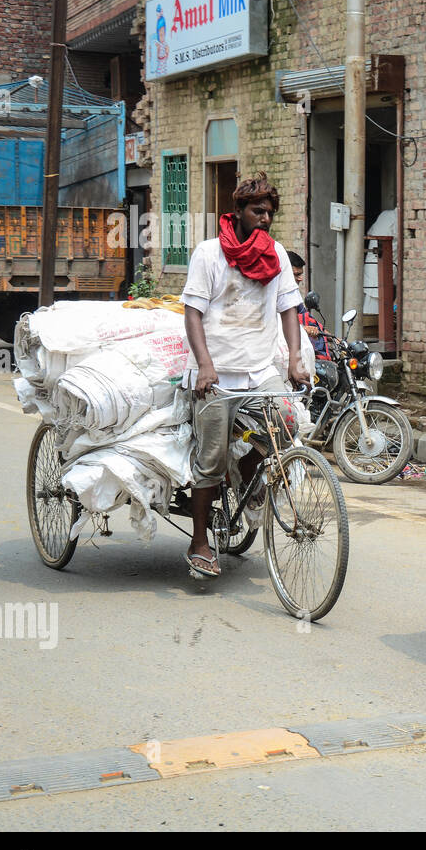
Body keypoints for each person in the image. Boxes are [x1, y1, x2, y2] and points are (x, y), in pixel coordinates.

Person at [180, 173, 310, 579]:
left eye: (270, 212)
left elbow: (289, 308)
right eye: (258, 211)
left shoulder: (275, 255)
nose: (265, 218)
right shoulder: (209, 253)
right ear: (237, 212)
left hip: (258, 371)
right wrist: (204, 364)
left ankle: (250, 478)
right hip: (215, 376)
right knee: (211, 459)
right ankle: (200, 541)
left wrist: (292, 360)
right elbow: (192, 312)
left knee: (289, 424)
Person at [286, 250, 331, 360]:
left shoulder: (294, 295)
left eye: (300, 274)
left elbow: (308, 318)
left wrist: (333, 338)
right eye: (296, 274)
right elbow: (277, 324)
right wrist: (304, 329)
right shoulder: (273, 296)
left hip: (304, 350)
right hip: (285, 355)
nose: (300, 278)